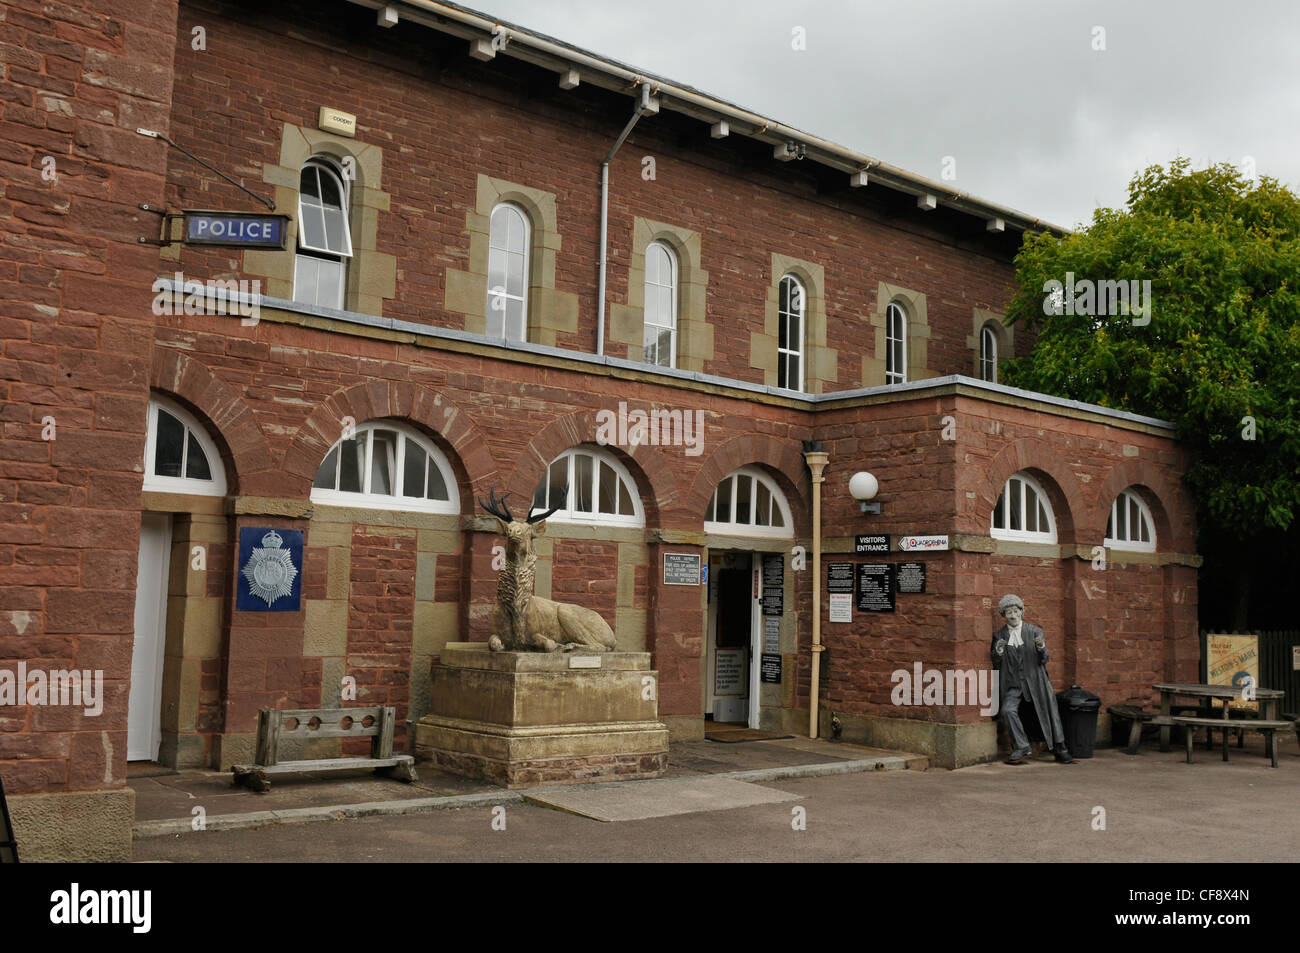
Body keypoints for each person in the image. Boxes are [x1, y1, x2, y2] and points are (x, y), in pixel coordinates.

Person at [990, 594, 1074, 765]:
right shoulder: (1000, 635)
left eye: (1015, 611)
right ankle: (1022, 746)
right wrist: (997, 652)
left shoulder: (1035, 631)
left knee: (1049, 710)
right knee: (1007, 710)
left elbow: (1044, 660)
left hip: (1036, 682)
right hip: (1014, 684)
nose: (1012, 616)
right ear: (1003, 616)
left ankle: (1060, 748)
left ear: (1021, 612)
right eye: (1008, 613)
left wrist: (1042, 649)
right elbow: (996, 663)